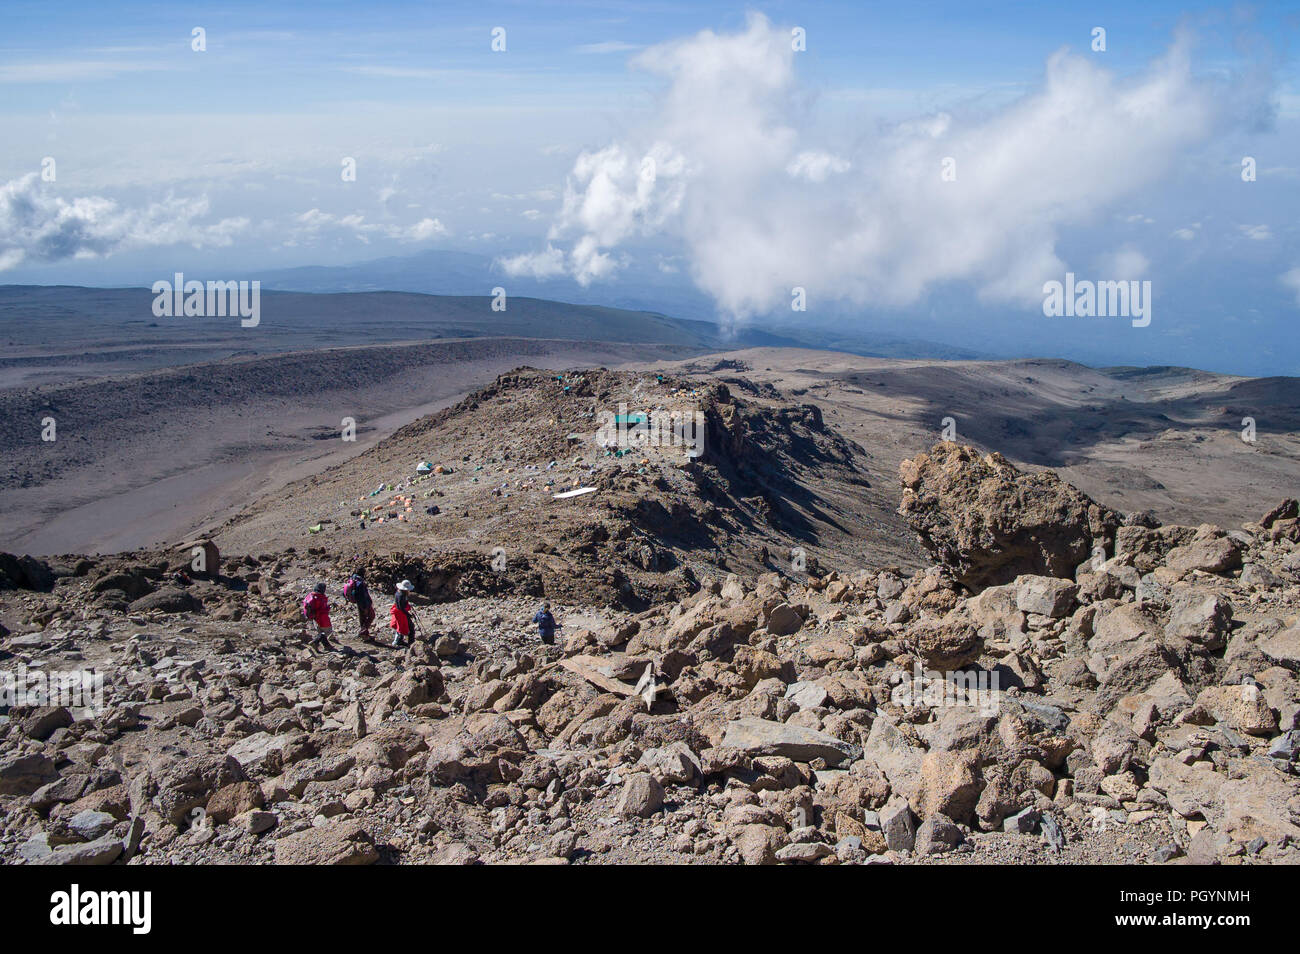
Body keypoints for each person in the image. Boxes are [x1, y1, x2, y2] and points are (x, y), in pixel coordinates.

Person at [343, 569, 375, 642]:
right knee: (371, 616)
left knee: (362, 618)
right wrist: (366, 606)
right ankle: (363, 632)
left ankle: (365, 636)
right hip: (364, 603)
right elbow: (363, 596)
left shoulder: (353, 579)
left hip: (358, 602)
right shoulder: (360, 583)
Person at [302, 583, 335, 651]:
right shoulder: (320, 597)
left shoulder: (311, 595)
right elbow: (322, 609)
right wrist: (328, 607)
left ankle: (327, 646)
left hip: (314, 617)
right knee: (326, 633)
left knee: (320, 632)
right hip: (322, 618)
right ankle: (315, 642)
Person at [390, 579, 416, 648]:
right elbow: (401, 607)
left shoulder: (399, 593)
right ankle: (410, 644)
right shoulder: (401, 595)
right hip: (401, 613)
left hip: (399, 613)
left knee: (401, 626)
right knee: (409, 627)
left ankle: (399, 641)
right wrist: (408, 614)